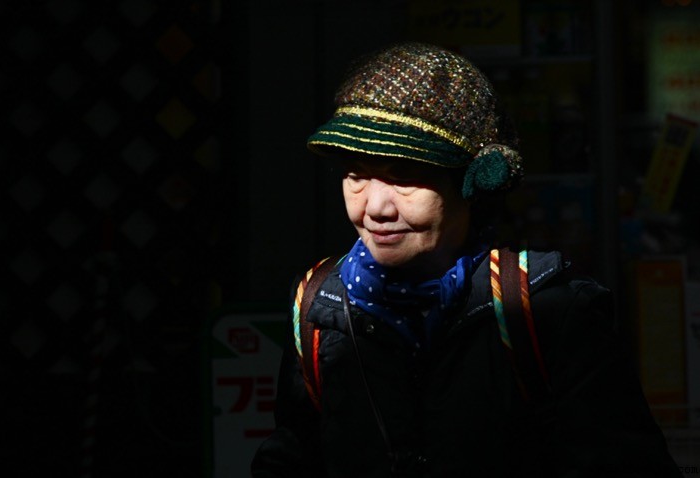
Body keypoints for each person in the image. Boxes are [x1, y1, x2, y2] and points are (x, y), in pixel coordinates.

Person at [251, 42, 681, 477]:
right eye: (356, 175)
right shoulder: (316, 307)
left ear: (474, 183)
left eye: (406, 178)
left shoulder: (546, 311)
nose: (375, 206)